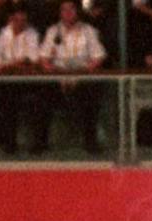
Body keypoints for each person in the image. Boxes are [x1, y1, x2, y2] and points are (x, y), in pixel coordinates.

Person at [41, 0, 105, 153]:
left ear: (78, 11)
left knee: (92, 92)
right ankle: (40, 142)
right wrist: (57, 75)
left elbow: (98, 57)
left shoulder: (88, 30)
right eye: (64, 9)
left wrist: (80, 76)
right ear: (59, 12)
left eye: (71, 9)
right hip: (58, 78)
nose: (68, 13)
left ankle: (91, 142)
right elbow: (44, 58)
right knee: (41, 94)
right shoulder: (52, 31)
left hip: (82, 77)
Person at [0, 4, 48, 154]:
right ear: (11, 20)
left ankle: (38, 144)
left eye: (24, 21)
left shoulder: (32, 34)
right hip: (7, 82)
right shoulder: (1, 36)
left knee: (40, 101)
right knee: (2, 100)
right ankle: (9, 143)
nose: (21, 24)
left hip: (29, 82)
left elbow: (33, 60)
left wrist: (12, 65)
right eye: (17, 20)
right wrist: (15, 64)